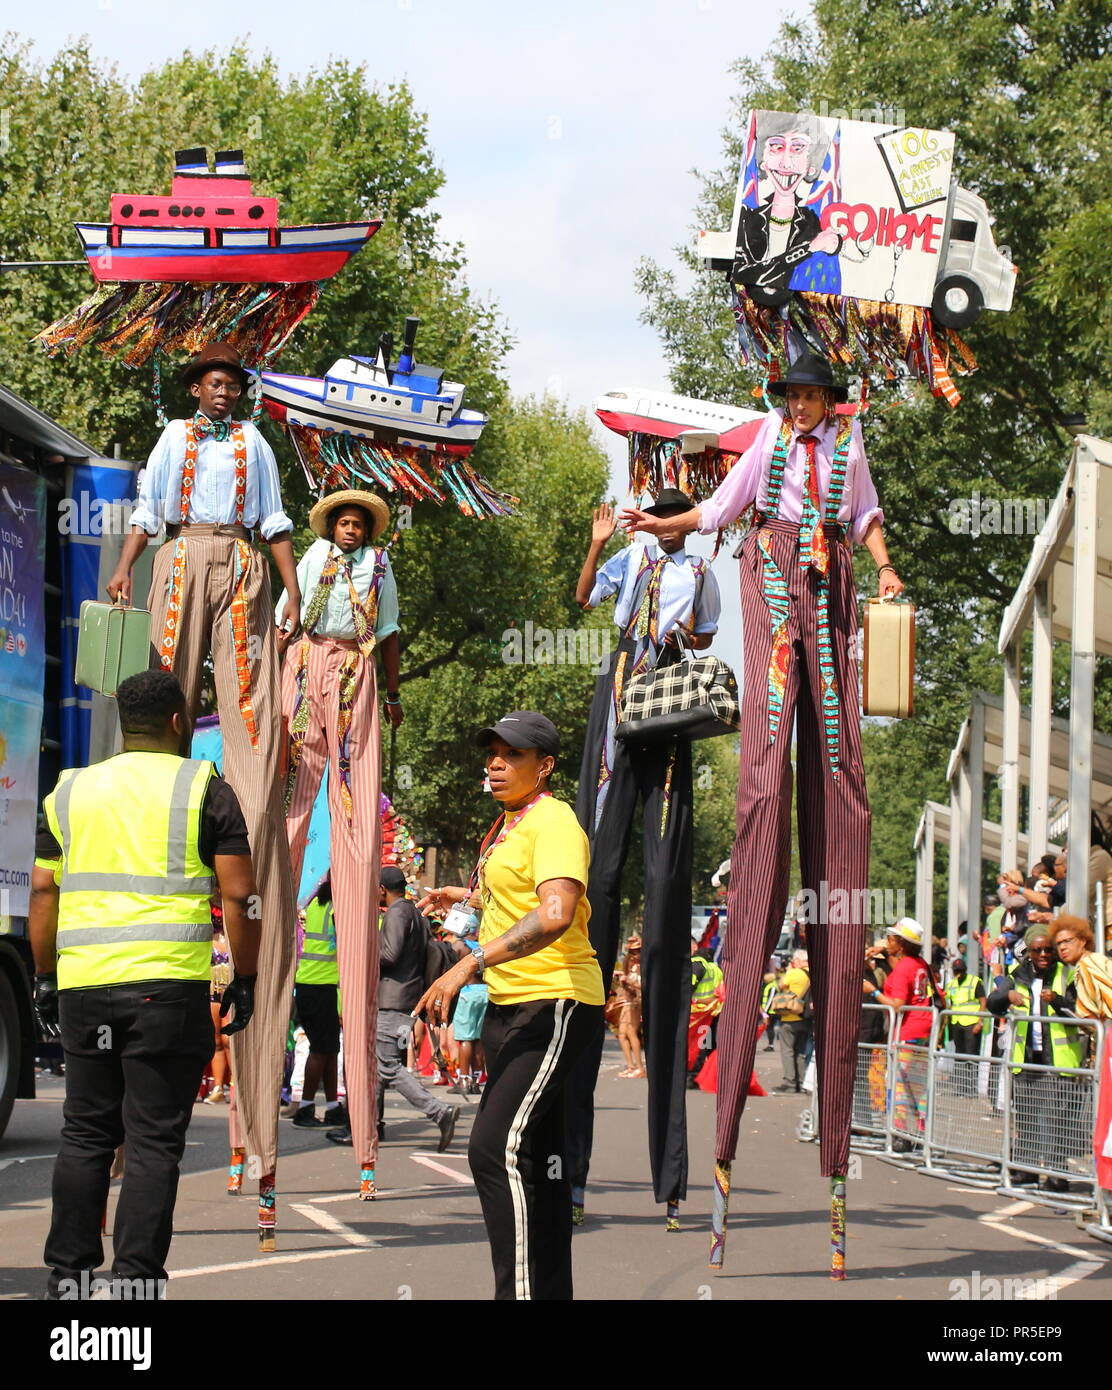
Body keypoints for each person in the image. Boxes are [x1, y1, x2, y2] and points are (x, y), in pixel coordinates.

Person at [621, 352, 901, 1210]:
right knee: (769, 755)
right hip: (773, 567)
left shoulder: (846, 448)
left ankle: (837, 1151)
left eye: (816, 395)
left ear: (830, 401)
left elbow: (866, 520)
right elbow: (721, 509)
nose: (807, 405)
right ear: (784, 400)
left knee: (836, 755)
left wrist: (886, 569)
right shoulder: (766, 447)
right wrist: (661, 528)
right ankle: (769, 789)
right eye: (797, 395)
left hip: (832, 576)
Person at [106, 341, 297, 1221]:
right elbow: (146, 510)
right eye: (216, 380)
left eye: (234, 380)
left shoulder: (251, 445)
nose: (226, 389)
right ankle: (159, 776)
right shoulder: (172, 440)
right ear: (195, 387)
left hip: (242, 562)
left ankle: (251, 798)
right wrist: (124, 561)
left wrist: (289, 590)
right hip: (181, 558)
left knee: (249, 691)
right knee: (165, 688)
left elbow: (277, 520)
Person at [29, 670, 261, 1299]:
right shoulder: (204, 787)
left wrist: (45, 977)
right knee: (154, 1141)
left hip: (85, 987)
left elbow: (43, 892)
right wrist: (245, 976)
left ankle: (68, 1279)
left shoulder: (70, 790)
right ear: (180, 724)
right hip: (166, 990)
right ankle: (133, 1285)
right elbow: (241, 897)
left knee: (86, 1132)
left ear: (122, 726)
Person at [567, 493, 721, 1225]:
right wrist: (599, 543)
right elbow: (583, 595)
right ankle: (567, 1163)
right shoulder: (632, 559)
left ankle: (672, 1175)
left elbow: (705, 636)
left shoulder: (702, 569)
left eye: (674, 516)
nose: (663, 523)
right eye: (657, 514)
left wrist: (686, 623)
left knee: (663, 890)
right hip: (623, 677)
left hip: (671, 691)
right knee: (601, 863)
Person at [415, 711, 604, 1301]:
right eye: (492, 752)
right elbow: (519, 894)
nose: (495, 762)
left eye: (512, 754)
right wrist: (464, 897)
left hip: (555, 1001)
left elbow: (555, 913)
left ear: (543, 767)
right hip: (510, 1006)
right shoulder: (509, 825)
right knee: (538, 1164)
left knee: (494, 1148)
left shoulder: (555, 822)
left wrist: (470, 962)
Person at [280, 487, 403, 1197]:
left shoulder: (379, 569)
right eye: (344, 521)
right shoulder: (313, 561)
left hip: (355, 667)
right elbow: (281, 623)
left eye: (359, 522)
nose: (351, 529)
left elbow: (387, 634)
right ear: (331, 527)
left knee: (354, 799)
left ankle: (365, 1131)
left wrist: (387, 690)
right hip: (309, 661)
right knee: (300, 782)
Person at [329, 866, 458, 1169]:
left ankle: (438, 1111)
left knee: (386, 1066)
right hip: (402, 998)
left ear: (383, 890)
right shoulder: (414, 912)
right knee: (376, 1066)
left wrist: (362, 943)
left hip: (394, 1000)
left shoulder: (398, 913)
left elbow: (389, 954)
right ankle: (367, 1129)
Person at [986, 927, 1084, 1192]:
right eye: (1037, 950)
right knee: (1027, 1117)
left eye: (1048, 949)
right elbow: (992, 1003)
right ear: (1028, 952)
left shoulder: (1067, 974)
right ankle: (1027, 1169)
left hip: (1059, 1062)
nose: (1043, 954)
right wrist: (1006, 995)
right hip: (1026, 1058)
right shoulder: (1016, 976)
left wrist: (1057, 1000)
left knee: (1056, 1120)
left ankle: (1056, 1173)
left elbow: (1079, 1012)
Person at [866, 919, 935, 1150]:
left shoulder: (906, 966)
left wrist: (872, 991)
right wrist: (885, 951)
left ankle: (901, 1134)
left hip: (907, 1032)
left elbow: (896, 1005)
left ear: (901, 943)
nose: (886, 942)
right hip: (923, 1030)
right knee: (918, 1086)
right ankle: (920, 1134)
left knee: (900, 1085)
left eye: (890, 939)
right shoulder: (919, 963)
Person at [291, 876, 346, 1129]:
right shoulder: (338, 908)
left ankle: (333, 1107)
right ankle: (305, 1107)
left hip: (311, 985)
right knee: (321, 1049)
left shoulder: (314, 904)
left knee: (329, 1049)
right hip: (321, 986)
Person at [1052, 914, 1112, 1020]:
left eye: (1068, 941)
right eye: (1058, 944)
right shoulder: (1087, 963)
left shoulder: (1090, 963)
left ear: (1083, 941)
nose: (1062, 947)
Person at [205, 904, 234, 1104]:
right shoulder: (208, 937)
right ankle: (217, 1087)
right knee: (215, 1040)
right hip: (212, 991)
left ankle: (235, 1085)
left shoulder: (234, 935)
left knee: (229, 1040)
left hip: (231, 992)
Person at [771, 950, 812, 1094]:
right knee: (801, 1052)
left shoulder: (794, 973)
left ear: (798, 961)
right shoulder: (813, 974)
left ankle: (790, 1082)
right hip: (806, 1018)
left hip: (790, 1017)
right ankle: (801, 1082)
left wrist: (788, 971)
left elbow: (780, 986)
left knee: (787, 1051)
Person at [688, 945, 724, 1089]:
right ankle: (709, 1075)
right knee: (708, 1045)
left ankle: (694, 1076)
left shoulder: (697, 964)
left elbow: (688, 987)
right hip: (713, 1012)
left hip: (699, 1013)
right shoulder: (715, 968)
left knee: (698, 1045)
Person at [613, 936, 644, 1079]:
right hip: (626, 1002)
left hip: (635, 1003)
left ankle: (639, 1067)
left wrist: (629, 980)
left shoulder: (641, 967)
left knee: (631, 1033)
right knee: (622, 1035)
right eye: (631, 951)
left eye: (636, 951)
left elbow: (642, 986)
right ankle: (631, 1066)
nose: (633, 955)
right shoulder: (631, 965)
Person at [944, 957, 986, 1056]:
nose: (958, 973)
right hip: (956, 1022)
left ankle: (971, 1072)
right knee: (958, 1054)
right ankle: (959, 1072)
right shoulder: (951, 984)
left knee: (971, 1054)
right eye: (956, 971)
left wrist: (980, 1022)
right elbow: (947, 1001)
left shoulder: (975, 981)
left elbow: (983, 1002)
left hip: (971, 1022)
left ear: (965, 970)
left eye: (960, 970)